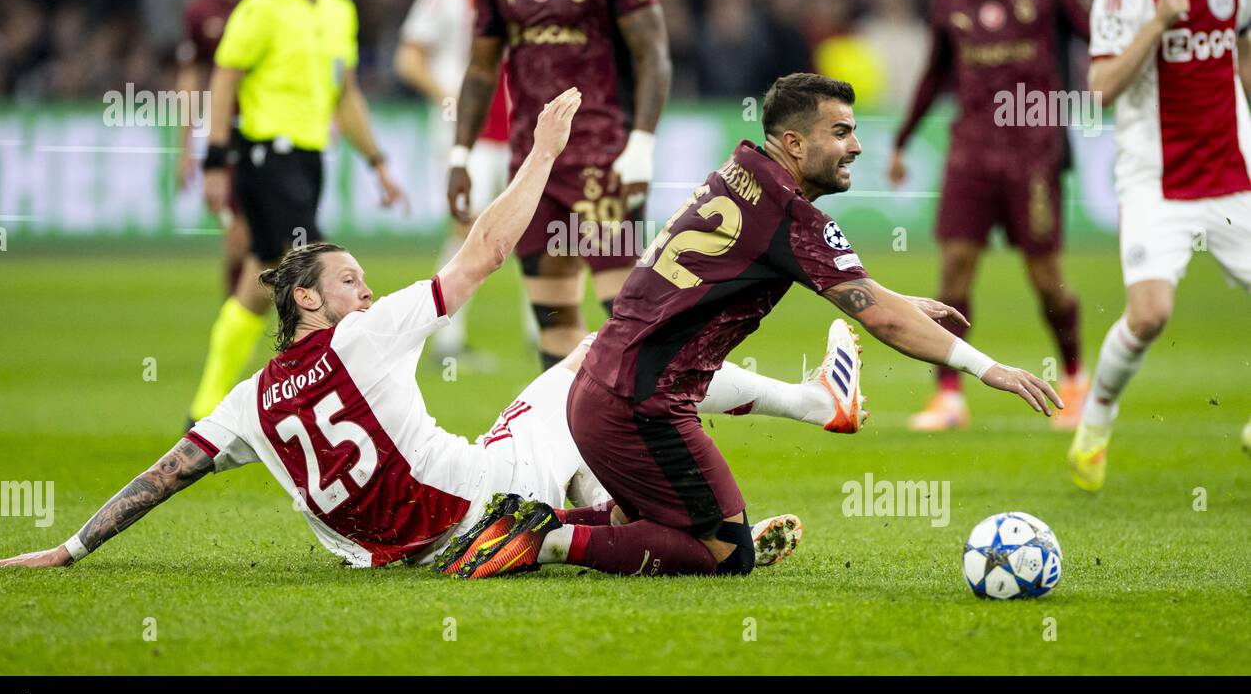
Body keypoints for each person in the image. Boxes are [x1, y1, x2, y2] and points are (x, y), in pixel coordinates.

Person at [0, 89, 844, 573]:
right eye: (351, 281)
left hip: (403, 552)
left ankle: (593, 519)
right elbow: (486, 250)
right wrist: (542, 153)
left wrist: (70, 547)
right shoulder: (362, 338)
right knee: (609, 360)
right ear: (312, 307)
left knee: (577, 428)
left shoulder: (248, 404)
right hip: (484, 499)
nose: (368, 292)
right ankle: (812, 408)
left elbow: (165, 474)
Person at [439, 73, 1061, 580]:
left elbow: (856, 292)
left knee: (668, 525)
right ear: (793, 143)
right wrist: (989, 368)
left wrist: (887, 299)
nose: (857, 146)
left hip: (601, 388)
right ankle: (551, 542)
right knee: (726, 553)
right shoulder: (791, 216)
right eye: (841, 132)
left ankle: (530, 521)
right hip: (641, 407)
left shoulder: (741, 172)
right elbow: (884, 321)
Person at [447, 0, 671, 370]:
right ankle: (566, 453)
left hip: (603, 159)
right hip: (533, 167)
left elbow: (653, 56)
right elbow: (480, 71)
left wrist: (640, 144)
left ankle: (645, 443)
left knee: (630, 321)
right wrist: (461, 155)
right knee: (554, 325)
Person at [186, 0, 406, 425]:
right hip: (266, 159)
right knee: (324, 272)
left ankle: (205, 408)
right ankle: (322, 404)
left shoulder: (339, 12)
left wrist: (376, 160)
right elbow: (223, 78)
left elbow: (345, 95)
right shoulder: (262, 6)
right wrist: (215, 159)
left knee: (259, 278)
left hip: (309, 161)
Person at [1069, 0, 1251, 491]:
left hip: (1236, 181)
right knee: (1149, 316)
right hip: (1157, 185)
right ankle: (1095, 422)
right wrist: (1157, 25)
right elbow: (1099, 90)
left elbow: (1244, 53)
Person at [890, 0, 1091, 432]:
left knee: (1046, 278)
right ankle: (949, 396)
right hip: (970, 154)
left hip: (1034, 157)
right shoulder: (951, 0)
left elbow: (1100, 38)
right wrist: (903, 141)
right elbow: (934, 74)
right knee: (953, 272)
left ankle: (1074, 380)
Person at [395, 0, 521, 365]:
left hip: (516, 131)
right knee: (466, 227)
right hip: (464, 132)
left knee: (524, 226)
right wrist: (449, 95)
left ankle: (543, 334)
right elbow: (407, 59)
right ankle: (447, 340)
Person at [174, 0, 265, 296]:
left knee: (283, 243)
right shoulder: (200, 10)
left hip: (276, 129)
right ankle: (238, 317)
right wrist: (186, 148)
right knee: (240, 236)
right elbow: (191, 78)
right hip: (225, 135)